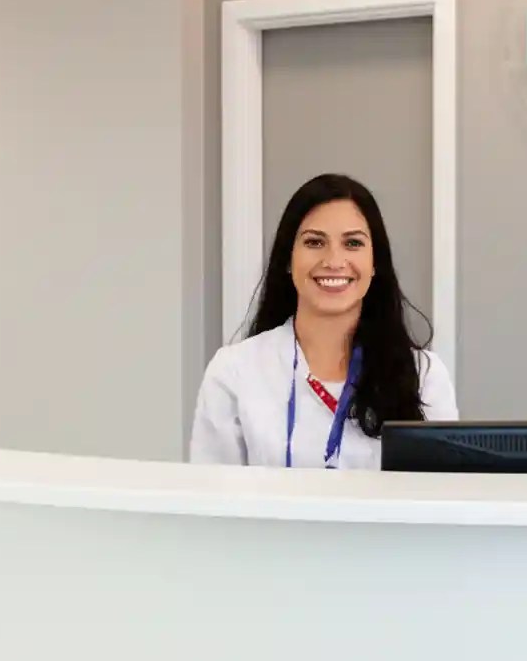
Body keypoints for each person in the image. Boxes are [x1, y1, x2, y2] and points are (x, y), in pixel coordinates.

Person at [189, 173, 458, 469]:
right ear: (288, 261)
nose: (333, 260)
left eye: (353, 243)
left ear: (375, 264)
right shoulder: (234, 372)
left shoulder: (425, 377)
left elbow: (440, 503)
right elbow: (212, 503)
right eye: (315, 242)